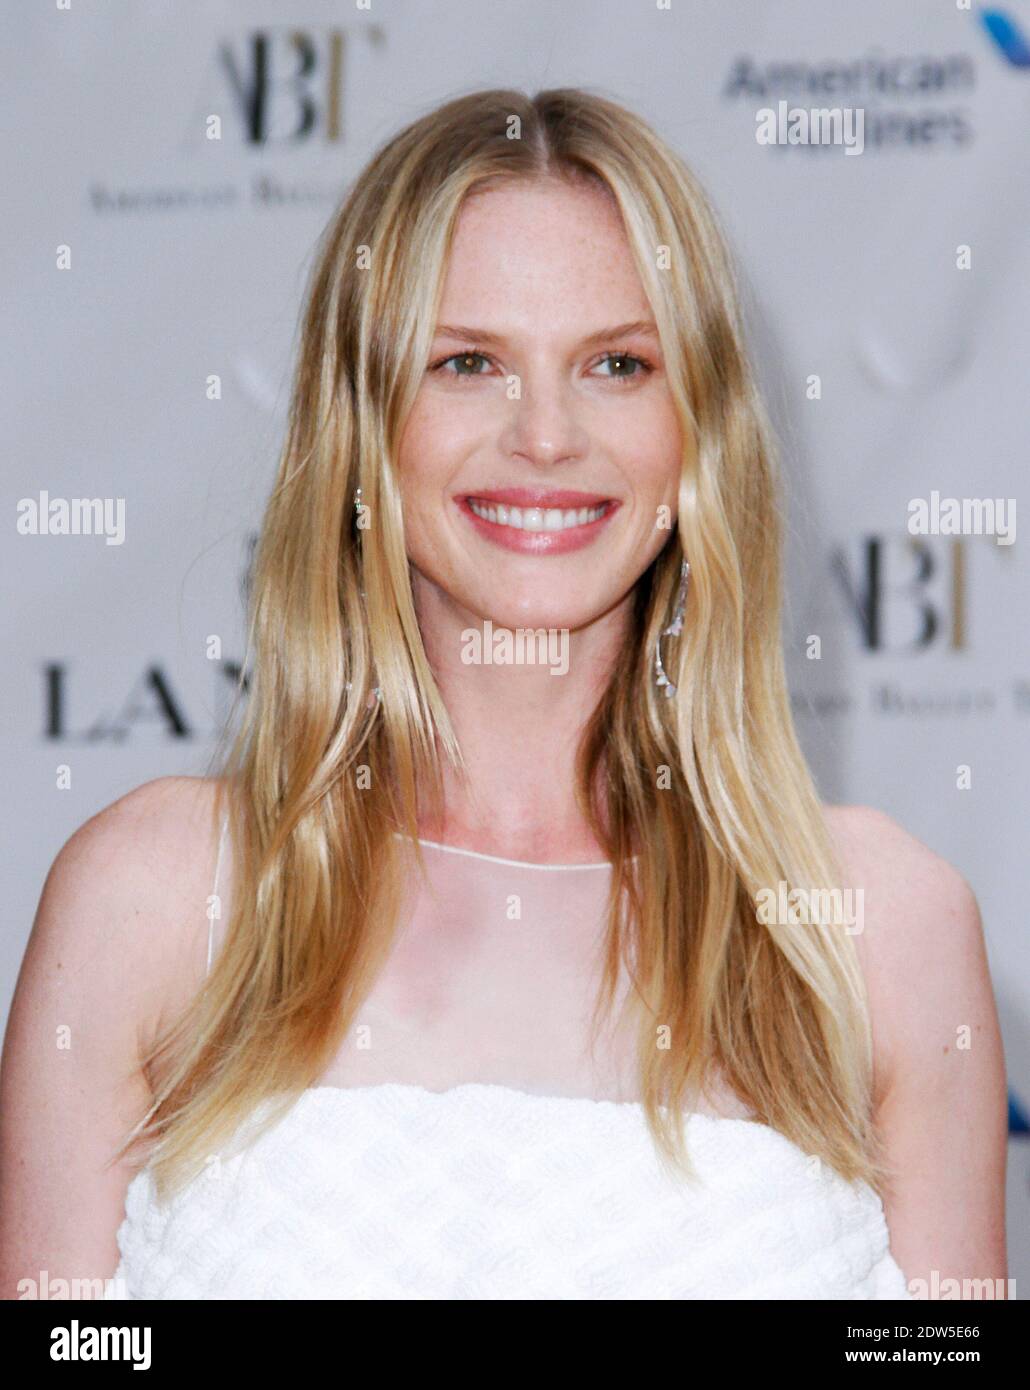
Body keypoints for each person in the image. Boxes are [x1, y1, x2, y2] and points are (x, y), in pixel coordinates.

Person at [0, 88, 1007, 1300]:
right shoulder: (154, 896)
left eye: (618, 364)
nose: (545, 435)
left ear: (698, 429)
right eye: (468, 362)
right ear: (366, 421)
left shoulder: (875, 925)